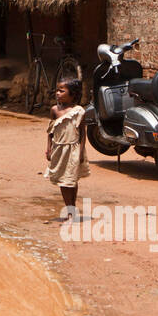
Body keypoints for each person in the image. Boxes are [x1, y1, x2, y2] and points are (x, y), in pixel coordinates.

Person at [44, 78, 89, 221]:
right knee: (64, 181)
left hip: (73, 149)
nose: (57, 93)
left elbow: (83, 134)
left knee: (72, 180)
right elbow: (50, 131)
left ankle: (71, 210)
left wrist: (81, 152)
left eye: (61, 91)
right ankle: (70, 209)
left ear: (73, 94)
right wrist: (49, 149)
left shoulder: (79, 111)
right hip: (59, 150)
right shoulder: (54, 110)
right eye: (57, 90)